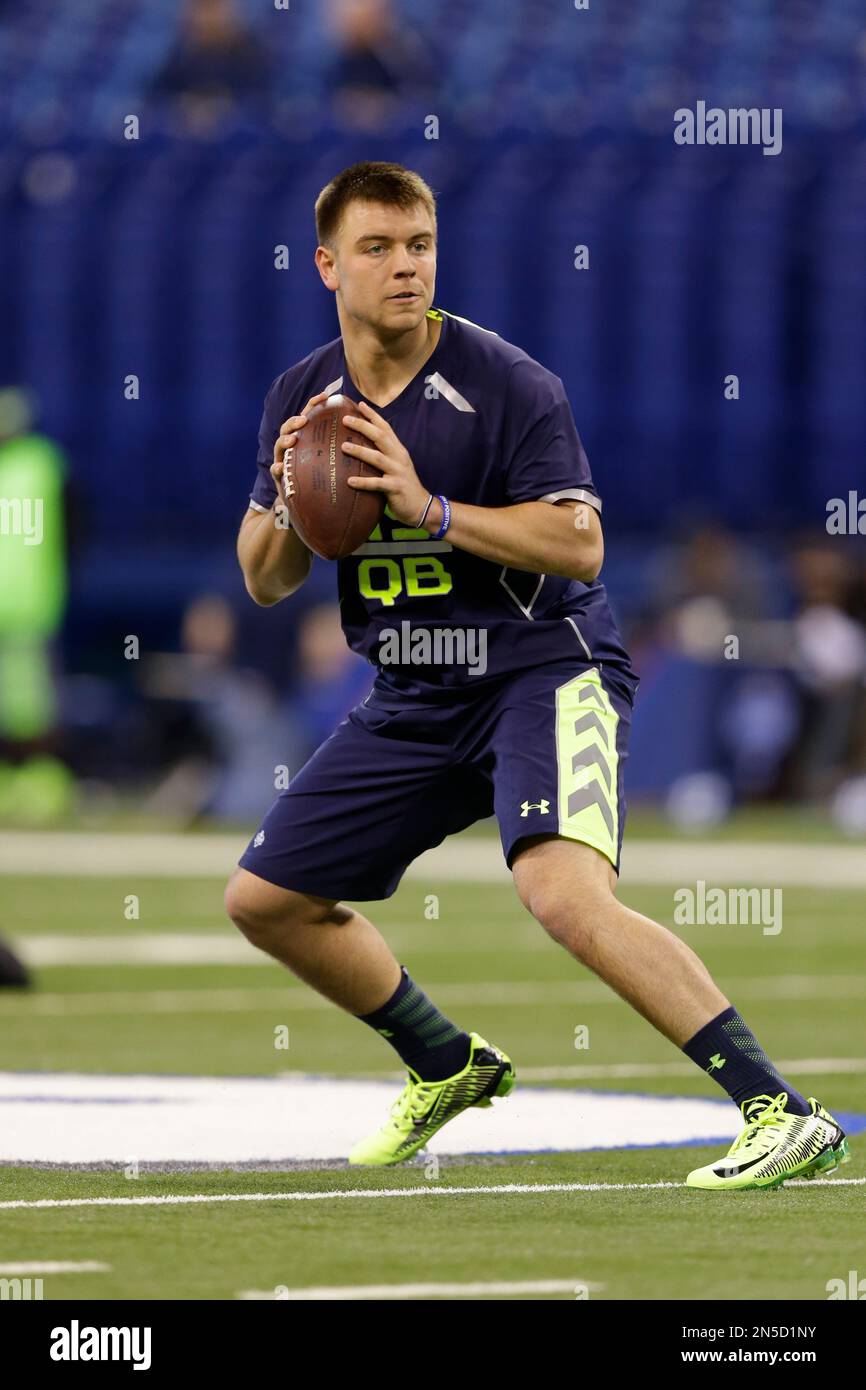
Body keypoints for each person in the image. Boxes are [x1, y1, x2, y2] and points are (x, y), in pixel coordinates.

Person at [225, 162, 848, 1188]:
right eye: (377, 249)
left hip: (538, 665)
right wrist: (295, 495)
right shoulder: (302, 397)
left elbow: (580, 544)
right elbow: (263, 578)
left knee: (561, 893)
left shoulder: (504, 380)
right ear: (326, 266)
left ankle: (777, 1108)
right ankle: (445, 1060)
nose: (404, 266)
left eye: (418, 244)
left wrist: (431, 510)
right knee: (265, 900)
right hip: (415, 688)